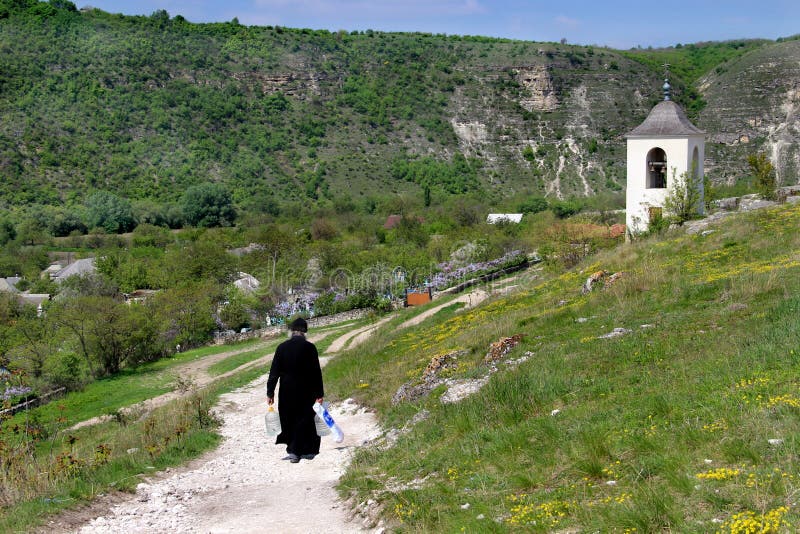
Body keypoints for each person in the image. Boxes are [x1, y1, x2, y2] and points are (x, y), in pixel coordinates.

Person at [266, 317, 324, 463]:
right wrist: (319, 394)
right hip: (307, 391)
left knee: (289, 418)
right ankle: (308, 450)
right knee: (305, 419)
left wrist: (270, 392)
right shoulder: (310, 348)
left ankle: (293, 451)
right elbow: (316, 372)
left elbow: (274, 372)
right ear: (305, 332)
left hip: (287, 391)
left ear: (291, 331)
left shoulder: (281, 347)